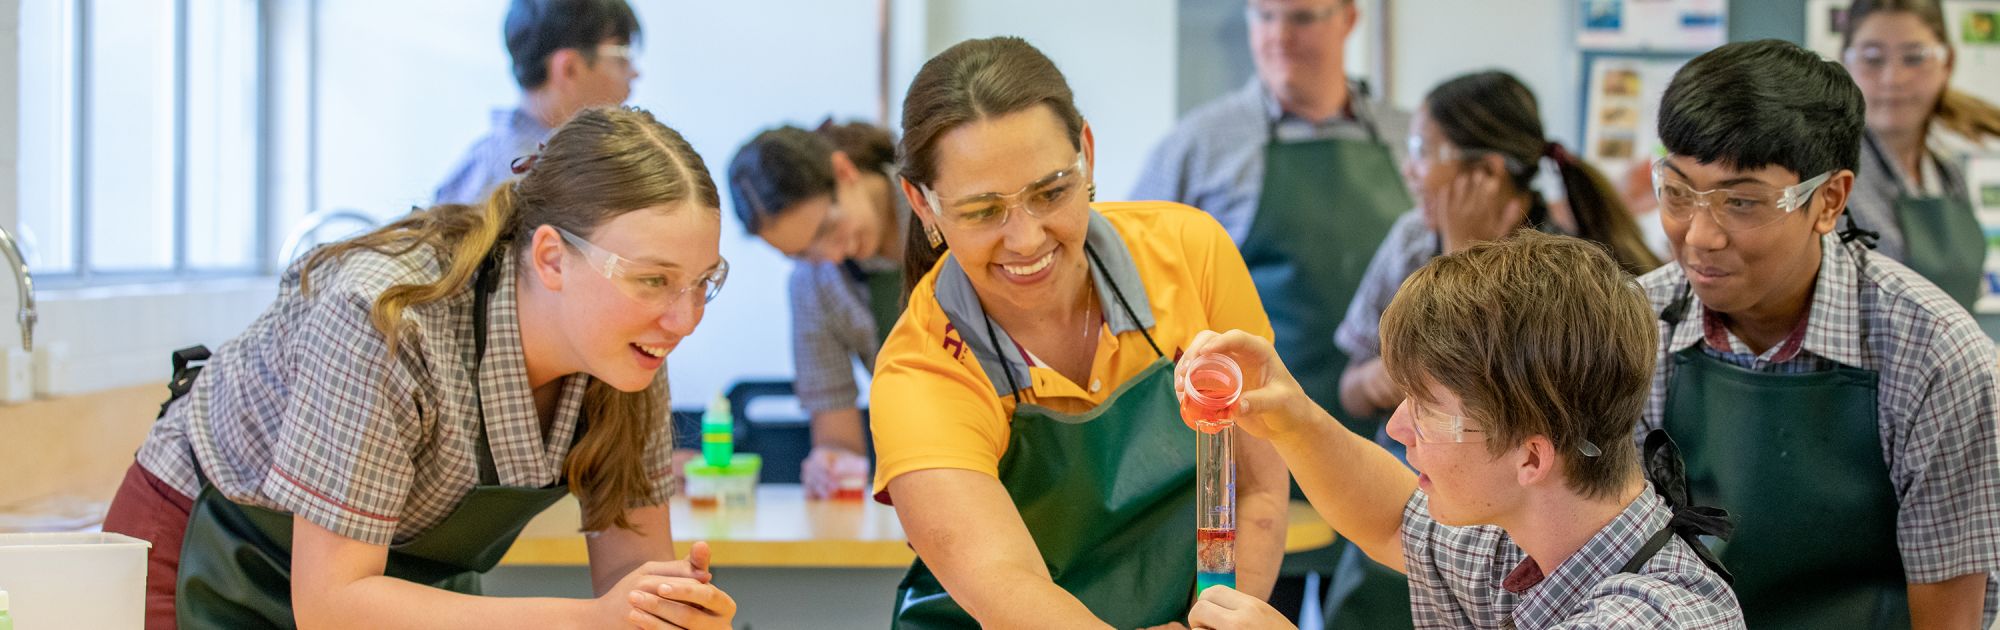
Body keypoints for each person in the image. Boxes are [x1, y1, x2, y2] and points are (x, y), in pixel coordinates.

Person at [101, 107, 736, 629]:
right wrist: (590, 621)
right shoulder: (386, 315)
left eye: (703, 283)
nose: (683, 320)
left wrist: (669, 613)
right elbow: (331, 604)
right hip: (214, 548)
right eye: (652, 279)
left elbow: (631, 580)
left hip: (391, 586)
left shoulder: (629, 351)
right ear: (550, 259)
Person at [870, 36, 1289, 628]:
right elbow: (1006, 589)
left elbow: (1258, 491)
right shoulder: (920, 372)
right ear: (923, 203)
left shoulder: (1190, 254)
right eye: (983, 211)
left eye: (1051, 192)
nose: (1027, 239)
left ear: (1086, 152)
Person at [1179, 231, 1743, 629]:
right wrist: (1291, 416)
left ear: (1531, 458)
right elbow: (1393, 521)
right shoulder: (1531, 543)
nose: (1398, 427)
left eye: (1425, 408)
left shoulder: (1653, 618)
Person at [1641, 39, 2000, 628]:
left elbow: (1949, 616)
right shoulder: (1636, 325)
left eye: (1741, 202)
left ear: (1829, 201)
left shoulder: (1935, 355)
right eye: (1678, 192)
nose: (1700, 236)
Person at [1132, 2, 1417, 622]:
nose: (1280, 37)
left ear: (1348, 19)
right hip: (1246, 464)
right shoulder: (1197, 146)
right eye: (1264, 17)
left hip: (1396, 449)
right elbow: (1133, 288)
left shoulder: (1406, 138)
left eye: (1303, 17)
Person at [1335, 70, 1662, 424]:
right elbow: (1349, 391)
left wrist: (1460, 257)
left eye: (1421, 151)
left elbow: (1488, 397)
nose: (1408, 169)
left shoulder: (1564, 266)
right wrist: (1372, 382)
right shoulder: (1411, 240)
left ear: (1488, 172)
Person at [725, 121, 910, 499]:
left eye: (827, 229)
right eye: (802, 254)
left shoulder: (941, 203)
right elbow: (840, 439)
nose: (831, 255)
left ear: (844, 172)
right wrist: (832, 465)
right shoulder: (813, 285)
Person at [1839, 0, 2000, 309]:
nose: (1893, 79)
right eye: (1872, 59)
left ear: (1948, 63)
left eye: (1914, 58)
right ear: (1845, 64)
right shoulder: (1830, 173)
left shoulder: (1947, 174)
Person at [435, 0, 642, 205]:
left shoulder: (535, 163)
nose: (635, 73)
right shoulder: (516, 178)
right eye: (622, 56)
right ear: (568, 69)